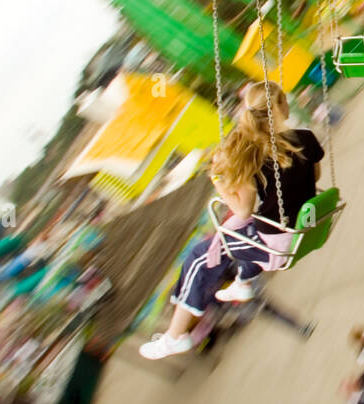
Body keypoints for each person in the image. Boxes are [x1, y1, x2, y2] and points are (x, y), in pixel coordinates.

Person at [139, 81, 326, 359]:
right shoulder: (307, 137)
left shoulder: (256, 157)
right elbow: (316, 177)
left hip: (276, 241)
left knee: (199, 255)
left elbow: (242, 211)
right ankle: (243, 283)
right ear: (283, 106)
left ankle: (175, 337)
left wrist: (221, 187)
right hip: (300, 226)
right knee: (226, 241)